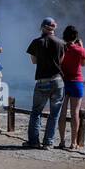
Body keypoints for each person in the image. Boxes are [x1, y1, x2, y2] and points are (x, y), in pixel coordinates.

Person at [24, 17, 66, 150]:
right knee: (54, 114)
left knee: (36, 112)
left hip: (43, 81)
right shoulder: (61, 43)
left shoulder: (37, 42)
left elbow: (34, 61)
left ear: (43, 27)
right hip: (58, 81)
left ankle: (34, 142)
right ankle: (48, 143)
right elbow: (61, 61)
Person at [57, 25, 85, 150]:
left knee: (62, 112)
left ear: (64, 37)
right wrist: (81, 46)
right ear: (76, 37)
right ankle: (73, 143)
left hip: (63, 82)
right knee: (75, 112)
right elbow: (83, 64)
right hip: (76, 82)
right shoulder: (80, 50)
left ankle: (62, 141)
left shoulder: (61, 48)